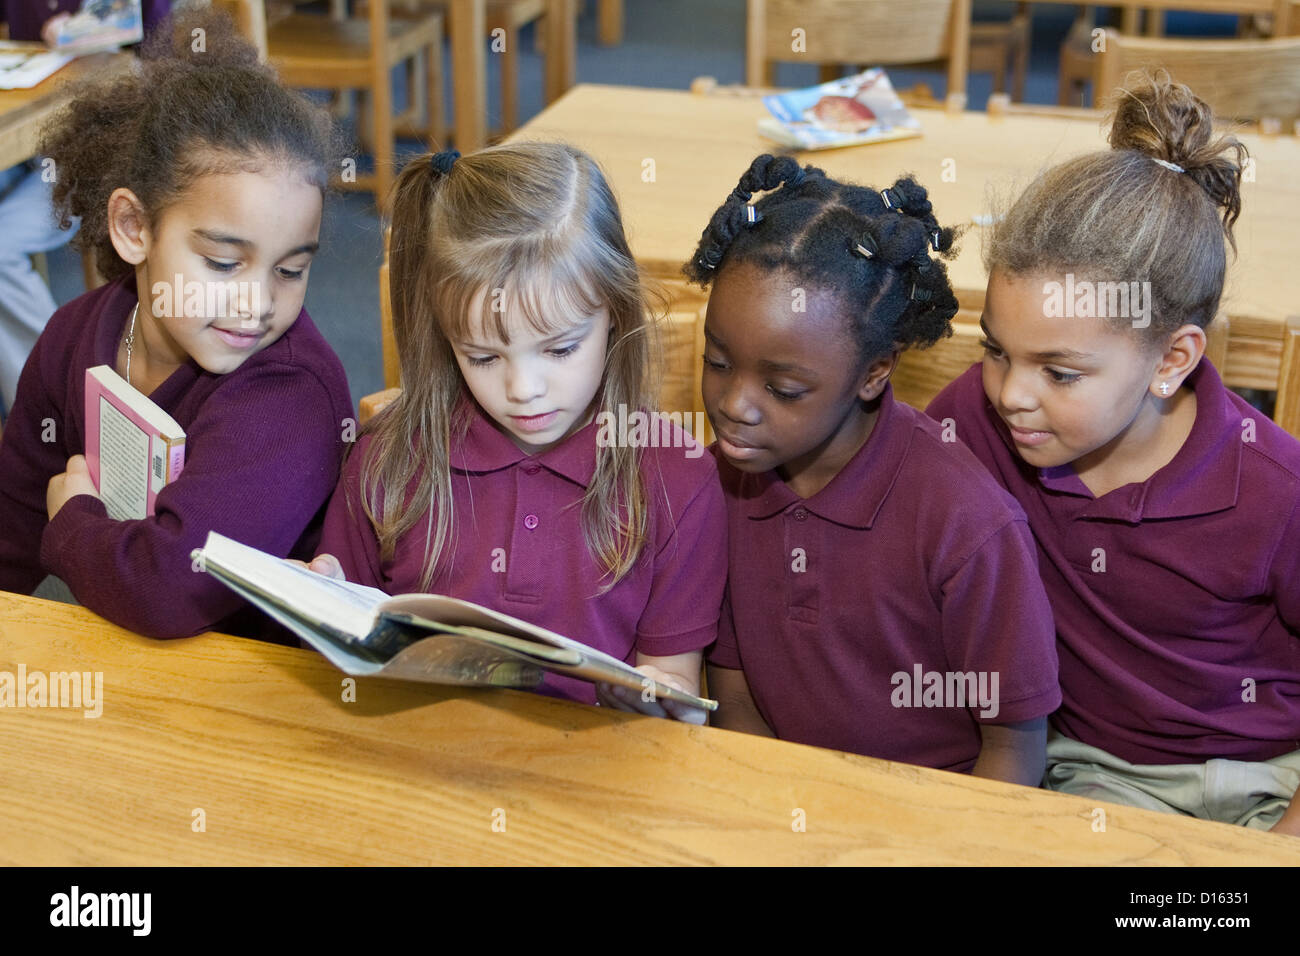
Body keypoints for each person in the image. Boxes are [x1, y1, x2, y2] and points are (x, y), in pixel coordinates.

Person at [926, 74, 1300, 834]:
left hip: (1271, 778)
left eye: (1059, 372)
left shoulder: (1275, 488)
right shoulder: (969, 419)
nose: (1011, 394)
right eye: (997, 350)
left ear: (1171, 361)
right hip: (1089, 773)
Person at [308, 143, 726, 721]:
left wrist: (654, 694)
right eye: (482, 356)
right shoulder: (388, 456)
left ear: (615, 313)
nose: (523, 388)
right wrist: (320, 605)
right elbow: (343, 654)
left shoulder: (679, 479)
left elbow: (676, 679)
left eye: (559, 348)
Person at [686, 155, 1061, 783]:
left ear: (874, 374)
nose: (733, 405)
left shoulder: (967, 526)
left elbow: (1014, 749)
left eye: (783, 387)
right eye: (718, 362)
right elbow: (734, 689)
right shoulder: (717, 483)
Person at [0, 10, 352, 641]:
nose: (256, 303)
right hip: (124, 652)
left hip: (253, 688)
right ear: (135, 228)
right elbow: (11, 523)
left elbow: (171, 589)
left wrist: (74, 523)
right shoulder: (72, 335)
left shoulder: (287, 392)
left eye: (290, 270)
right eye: (222, 262)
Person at [0, 0, 172, 420]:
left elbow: (158, 57)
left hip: (91, 146)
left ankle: (59, 402)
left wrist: (88, 34)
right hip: (28, 128)